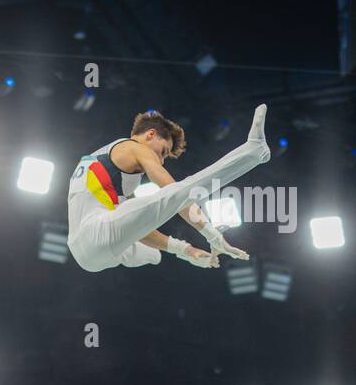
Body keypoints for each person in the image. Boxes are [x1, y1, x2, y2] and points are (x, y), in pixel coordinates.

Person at [66, 104, 270, 272]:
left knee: (151, 250)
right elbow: (175, 194)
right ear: (150, 134)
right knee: (177, 192)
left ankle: (167, 252)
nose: (162, 161)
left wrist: (185, 250)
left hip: (82, 249)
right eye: (163, 152)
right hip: (95, 238)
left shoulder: (108, 162)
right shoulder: (133, 147)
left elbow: (135, 225)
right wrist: (212, 234)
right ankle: (253, 151)